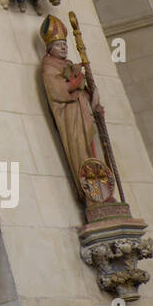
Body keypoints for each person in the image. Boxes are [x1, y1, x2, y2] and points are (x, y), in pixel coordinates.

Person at [39, 15, 109, 201]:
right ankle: (92, 196)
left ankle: (103, 191)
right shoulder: (49, 67)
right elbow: (57, 91)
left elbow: (82, 90)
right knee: (81, 151)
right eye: (58, 44)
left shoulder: (69, 64)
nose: (63, 47)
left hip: (84, 114)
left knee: (96, 150)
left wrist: (92, 98)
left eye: (64, 44)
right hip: (73, 120)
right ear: (49, 48)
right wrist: (77, 80)